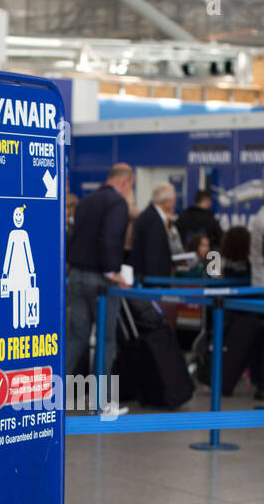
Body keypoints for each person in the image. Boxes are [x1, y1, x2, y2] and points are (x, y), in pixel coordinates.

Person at [65, 163, 133, 382]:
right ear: (125, 182)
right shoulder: (117, 202)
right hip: (100, 281)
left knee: (76, 337)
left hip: (75, 275)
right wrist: (112, 270)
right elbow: (112, 238)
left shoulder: (84, 202)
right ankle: (99, 402)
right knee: (105, 340)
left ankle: (47, 392)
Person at [130, 182, 179, 284]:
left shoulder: (153, 216)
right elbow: (153, 254)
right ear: (165, 201)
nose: (174, 203)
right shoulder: (152, 219)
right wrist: (156, 283)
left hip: (153, 279)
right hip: (153, 281)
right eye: (173, 200)